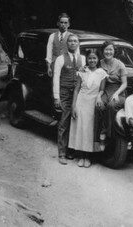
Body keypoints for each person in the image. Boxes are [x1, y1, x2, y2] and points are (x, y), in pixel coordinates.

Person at [69, 50, 107, 168]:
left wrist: (99, 96)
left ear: (98, 60)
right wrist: (73, 106)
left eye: (94, 58)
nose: (92, 61)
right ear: (87, 59)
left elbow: (102, 89)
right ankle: (80, 156)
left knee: (89, 130)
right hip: (81, 101)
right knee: (80, 129)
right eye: (90, 58)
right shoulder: (82, 72)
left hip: (92, 102)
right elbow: (76, 89)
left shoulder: (102, 73)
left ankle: (88, 157)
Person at [53, 34, 86, 165]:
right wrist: (56, 97)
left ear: (78, 43)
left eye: (75, 41)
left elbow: (84, 75)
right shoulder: (61, 59)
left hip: (78, 93)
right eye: (70, 41)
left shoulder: (82, 58)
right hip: (65, 93)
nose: (72, 43)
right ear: (67, 44)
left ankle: (71, 151)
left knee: (76, 121)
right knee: (64, 122)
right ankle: (62, 153)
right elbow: (56, 78)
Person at [96, 41, 127, 148]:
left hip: (118, 91)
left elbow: (125, 83)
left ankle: (105, 134)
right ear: (103, 51)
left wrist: (117, 94)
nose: (108, 52)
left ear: (114, 51)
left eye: (110, 50)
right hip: (105, 89)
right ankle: (98, 133)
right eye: (106, 50)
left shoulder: (120, 65)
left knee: (111, 106)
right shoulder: (100, 63)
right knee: (99, 106)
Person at [45, 13, 72, 77]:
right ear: (58, 23)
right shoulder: (52, 36)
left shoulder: (72, 36)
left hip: (68, 67)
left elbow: (76, 53)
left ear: (69, 24)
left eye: (65, 23)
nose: (63, 24)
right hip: (54, 67)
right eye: (61, 22)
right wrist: (49, 67)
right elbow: (49, 54)